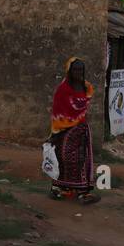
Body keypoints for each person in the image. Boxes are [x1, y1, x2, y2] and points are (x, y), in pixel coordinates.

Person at [48, 57, 99, 204]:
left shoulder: (86, 87)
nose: (79, 72)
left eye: (81, 69)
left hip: (81, 130)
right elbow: (58, 112)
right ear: (69, 71)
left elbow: (83, 108)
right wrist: (56, 133)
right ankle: (59, 188)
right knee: (63, 159)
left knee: (82, 160)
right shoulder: (63, 90)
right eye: (75, 69)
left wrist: (81, 123)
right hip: (64, 131)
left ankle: (83, 191)